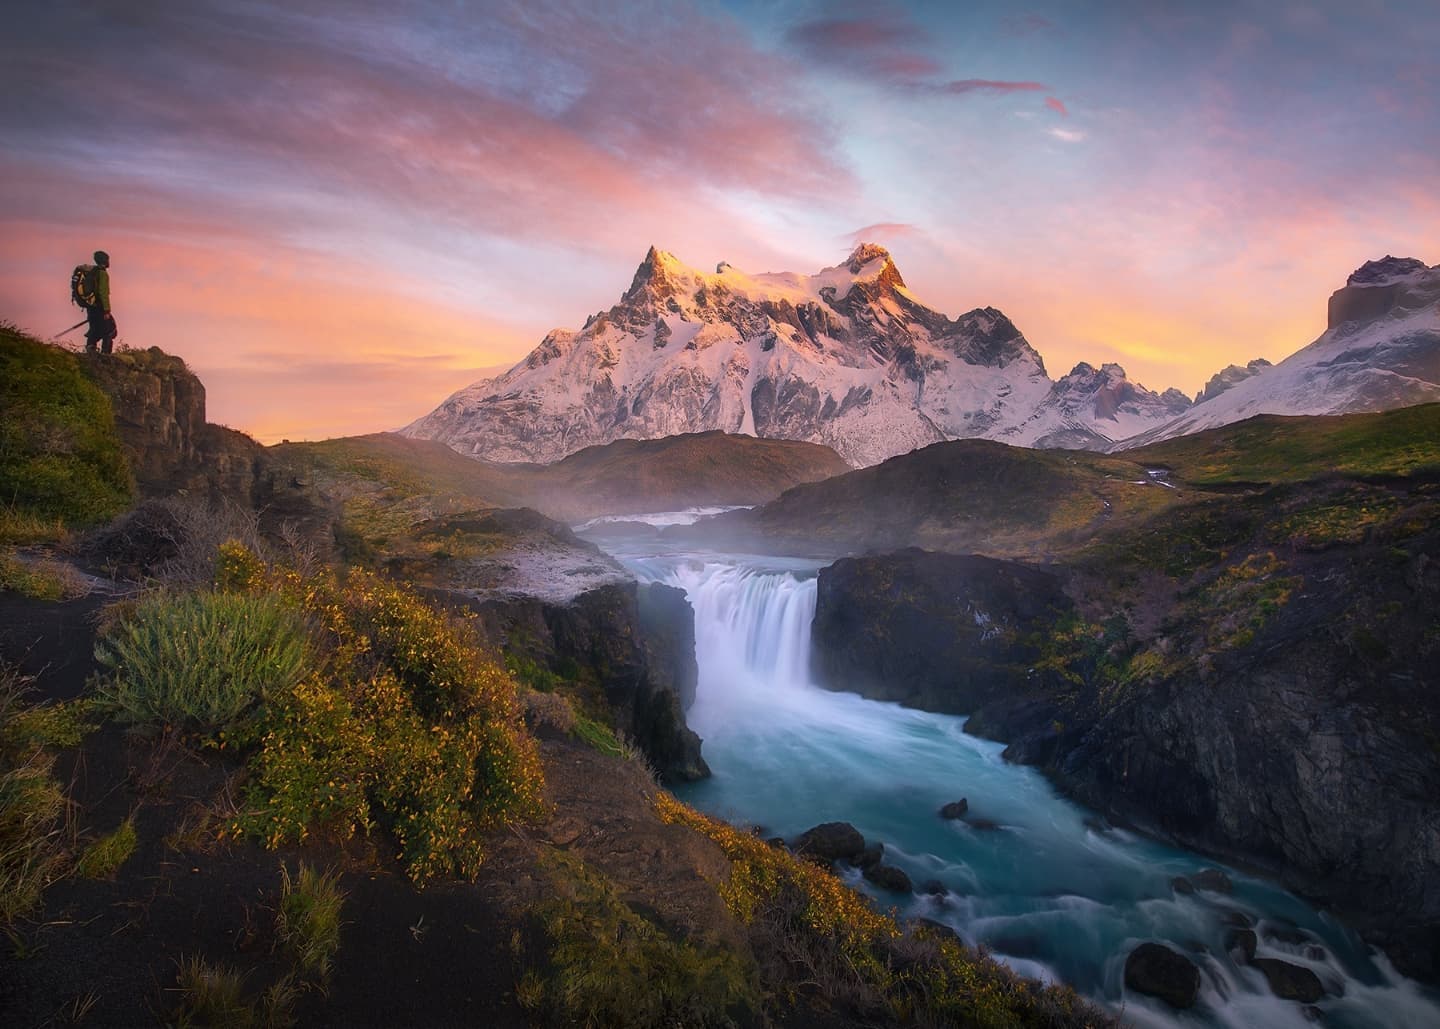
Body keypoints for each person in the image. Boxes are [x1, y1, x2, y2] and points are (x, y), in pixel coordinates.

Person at [83, 250, 116, 354]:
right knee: (110, 330)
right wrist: (107, 310)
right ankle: (105, 355)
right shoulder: (102, 274)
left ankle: (90, 351)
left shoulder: (93, 272)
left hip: (91, 306)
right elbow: (103, 293)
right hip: (100, 307)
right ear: (105, 261)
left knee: (94, 329)